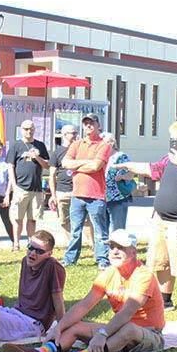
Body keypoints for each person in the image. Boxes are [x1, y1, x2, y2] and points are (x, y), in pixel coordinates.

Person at [5, 229, 165, 352]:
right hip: (119, 329)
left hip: (148, 333)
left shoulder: (143, 275)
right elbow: (84, 305)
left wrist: (102, 334)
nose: (115, 251)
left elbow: (126, 313)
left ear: (133, 252)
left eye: (120, 248)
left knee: (128, 329)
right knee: (75, 325)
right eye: (112, 247)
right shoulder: (109, 273)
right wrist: (59, 327)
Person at [115, 119, 177, 319]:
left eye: (174, 139)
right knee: (162, 262)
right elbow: (152, 169)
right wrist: (127, 166)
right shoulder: (170, 158)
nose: (171, 143)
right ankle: (165, 299)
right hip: (162, 220)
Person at [61, 113, 112, 269]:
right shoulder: (76, 144)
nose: (88, 126)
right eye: (86, 123)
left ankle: (102, 259)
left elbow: (96, 166)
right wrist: (85, 163)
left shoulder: (104, 145)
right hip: (77, 195)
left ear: (98, 125)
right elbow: (65, 163)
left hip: (96, 195)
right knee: (75, 230)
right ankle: (70, 259)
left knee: (100, 231)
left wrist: (77, 165)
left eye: (92, 123)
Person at [6, 119, 50, 250]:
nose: (29, 131)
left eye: (31, 129)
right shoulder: (16, 145)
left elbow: (47, 165)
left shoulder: (40, 145)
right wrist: (13, 185)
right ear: (21, 130)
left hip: (36, 188)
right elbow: (10, 166)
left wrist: (36, 157)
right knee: (17, 218)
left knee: (32, 218)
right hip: (21, 187)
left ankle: (32, 243)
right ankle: (16, 243)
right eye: (26, 129)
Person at [48, 124, 78, 246]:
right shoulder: (57, 152)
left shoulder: (79, 150)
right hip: (63, 191)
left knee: (82, 219)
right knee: (64, 220)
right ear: (65, 135)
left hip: (78, 191)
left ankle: (86, 243)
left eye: (76, 133)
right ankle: (69, 243)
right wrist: (53, 195)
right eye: (73, 133)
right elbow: (52, 175)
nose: (75, 135)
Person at [102, 132, 136, 234]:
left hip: (118, 197)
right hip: (102, 197)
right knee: (103, 228)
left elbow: (131, 172)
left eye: (103, 143)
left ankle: (119, 247)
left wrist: (121, 177)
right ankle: (106, 249)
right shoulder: (102, 157)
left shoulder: (121, 157)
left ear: (111, 143)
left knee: (118, 229)